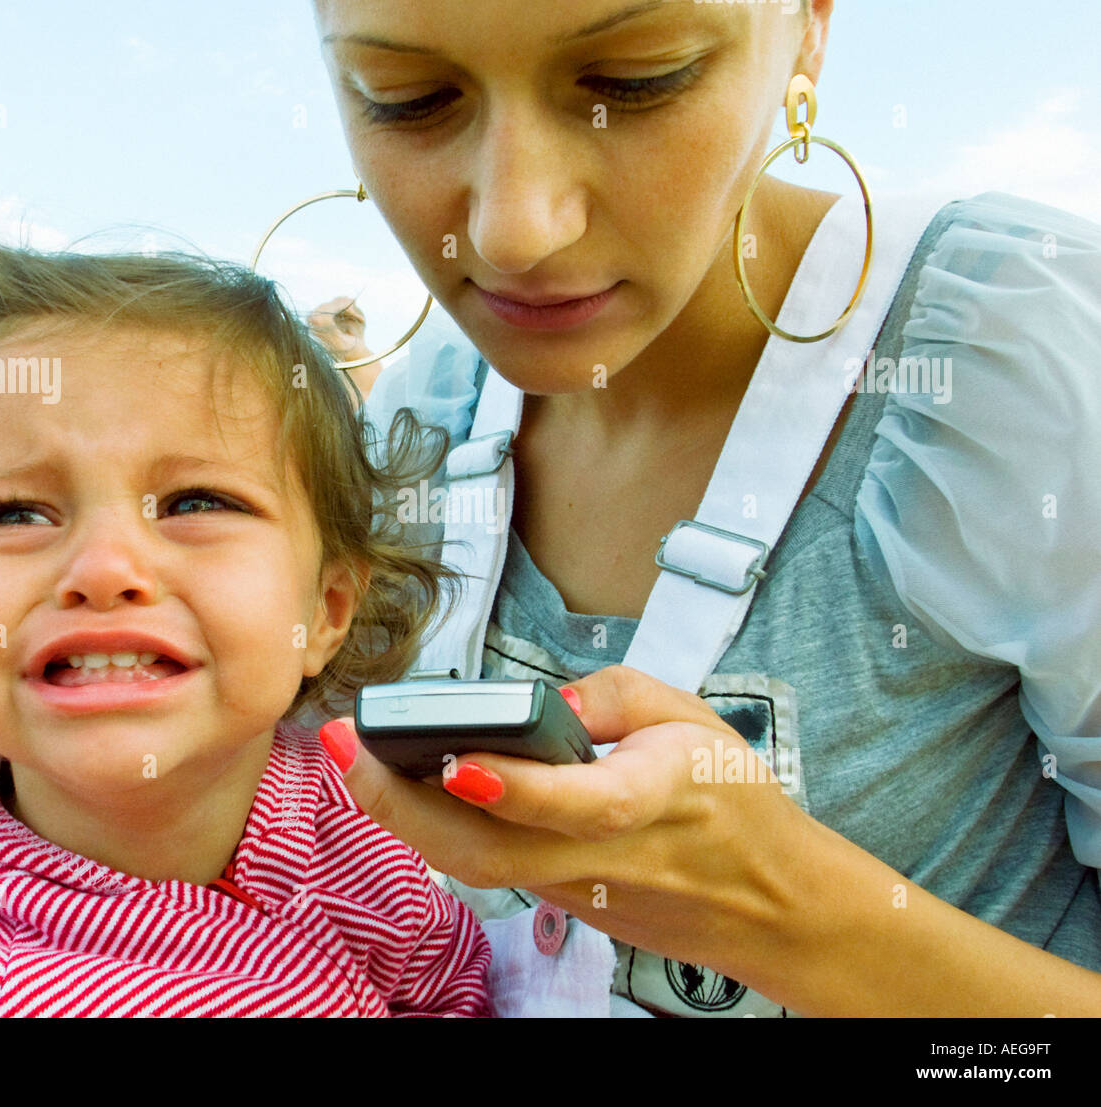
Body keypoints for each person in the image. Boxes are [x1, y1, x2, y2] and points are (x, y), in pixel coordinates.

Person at [308, 0, 1101, 1015]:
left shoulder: (1027, 358)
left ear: (807, 29)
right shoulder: (436, 402)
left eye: (635, 80)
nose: (516, 231)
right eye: (405, 99)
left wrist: (785, 914)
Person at [0, 242, 491, 1017]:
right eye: (14, 513)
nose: (102, 567)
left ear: (325, 610)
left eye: (196, 502)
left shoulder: (372, 863)